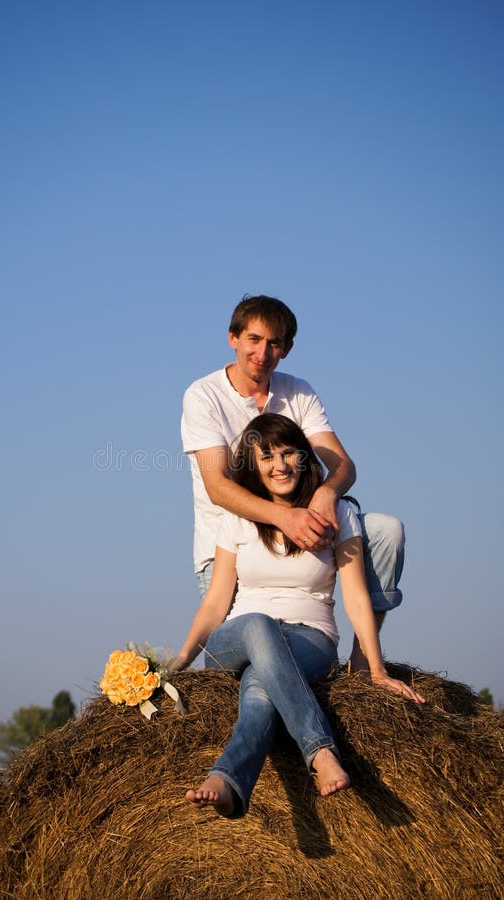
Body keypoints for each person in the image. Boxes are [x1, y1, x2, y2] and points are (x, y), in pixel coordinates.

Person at [173, 414, 425, 818]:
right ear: (253, 465)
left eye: (289, 453)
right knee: (259, 625)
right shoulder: (237, 517)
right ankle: (321, 750)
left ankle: (227, 780)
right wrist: (181, 660)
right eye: (267, 456)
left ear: (306, 458)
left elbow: (356, 597)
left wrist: (375, 669)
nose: (280, 465)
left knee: (260, 683)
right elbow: (216, 603)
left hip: (311, 640)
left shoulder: (338, 514)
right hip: (236, 640)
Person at [181, 295, 404, 669]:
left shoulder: (299, 391)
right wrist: (285, 517)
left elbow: (344, 465)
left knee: (386, 531)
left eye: (274, 343)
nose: (263, 352)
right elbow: (217, 487)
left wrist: (326, 494)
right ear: (233, 338)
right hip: (233, 546)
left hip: (301, 539)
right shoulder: (203, 396)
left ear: (287, 348)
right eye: (254, 339)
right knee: (243, 671)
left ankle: (364, 661)